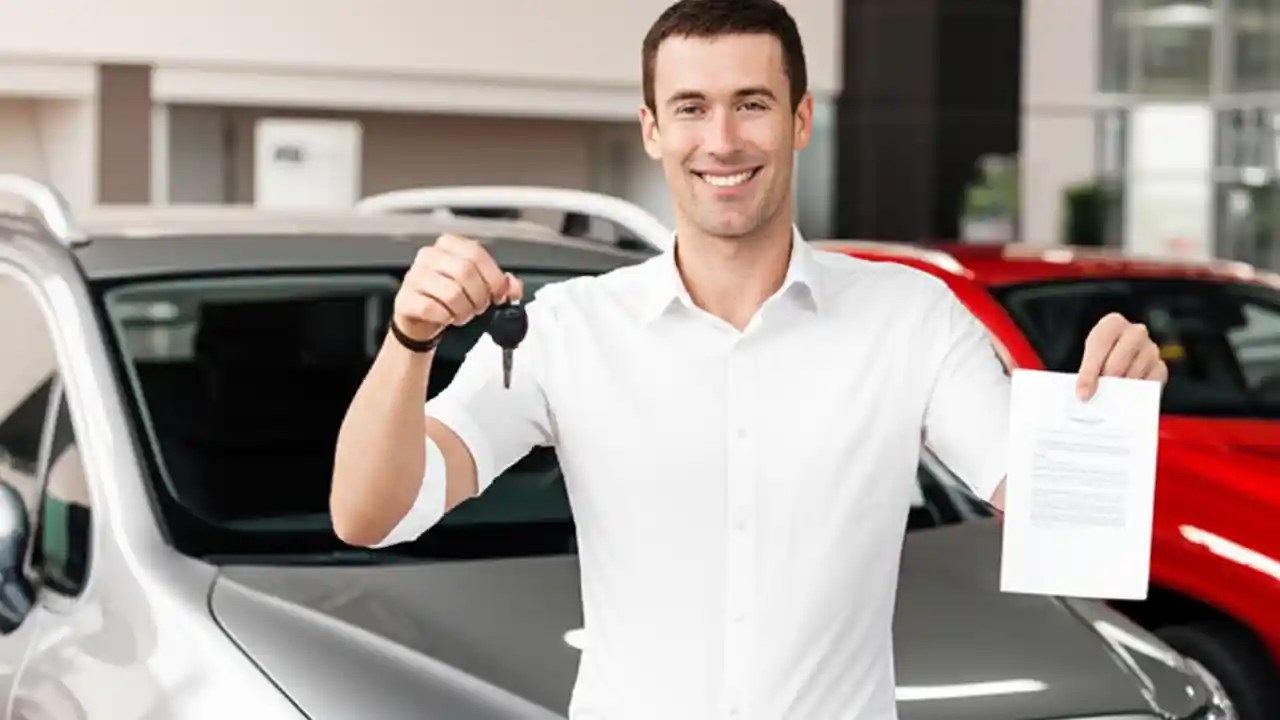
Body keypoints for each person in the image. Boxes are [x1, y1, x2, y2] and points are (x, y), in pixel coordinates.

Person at [330, 0, 1168, 717]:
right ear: (653, 130)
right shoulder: (568, 330)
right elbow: (372, 515)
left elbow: (1071, 528)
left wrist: (1115, 410)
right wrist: (410, 341)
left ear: (800, 119)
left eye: (751, 104)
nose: (722, 140)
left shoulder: (909, 319)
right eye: (691, 108)